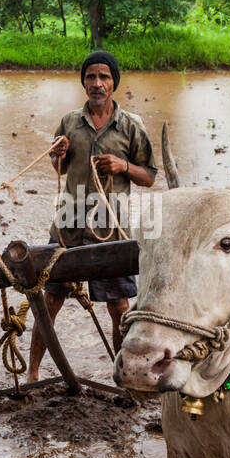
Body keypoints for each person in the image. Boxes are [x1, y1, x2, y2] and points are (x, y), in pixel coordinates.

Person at [26, 50, 156, 384]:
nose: (97, 83)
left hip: (110, 229)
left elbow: (149, 177)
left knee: (119, 307)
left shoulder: (131, 126)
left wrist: (122, 165)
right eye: (91, 77)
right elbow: (60, 168)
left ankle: (124, 377)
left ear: (114, 83)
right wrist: (58, 155)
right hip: (68, 226)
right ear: (84, 82)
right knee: (50, 300)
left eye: (104, 77)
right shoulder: (70, 122)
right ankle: (33, 372)